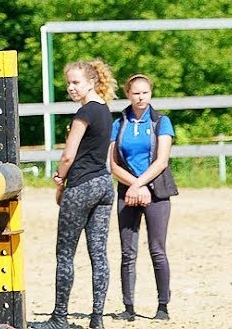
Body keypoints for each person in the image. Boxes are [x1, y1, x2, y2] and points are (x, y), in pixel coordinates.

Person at [40, 59, 118, 329]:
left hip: (81, 185)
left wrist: (60, 179)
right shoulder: (106, 111)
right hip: (104, 185)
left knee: (65, 254)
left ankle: (59, 317)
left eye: (76, 83)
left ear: (91, 83)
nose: (71, 88)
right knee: (99, 254)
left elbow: (68, 154)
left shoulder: (84, 113)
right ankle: (97, 318)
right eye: (69, 83)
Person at [108, 73, 176, 321]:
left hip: (156, 191)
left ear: (151, 93)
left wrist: (139, 185)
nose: (140, 97)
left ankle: (163, 306)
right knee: (128, 252)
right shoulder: (119, 124)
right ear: (128, 94)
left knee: (157, 249)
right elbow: (113, 164)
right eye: (135, 93)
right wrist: (134, 187)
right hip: (129, 190)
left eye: (145, 92)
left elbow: (162, 161)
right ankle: (128, 307)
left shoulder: (161, 122)